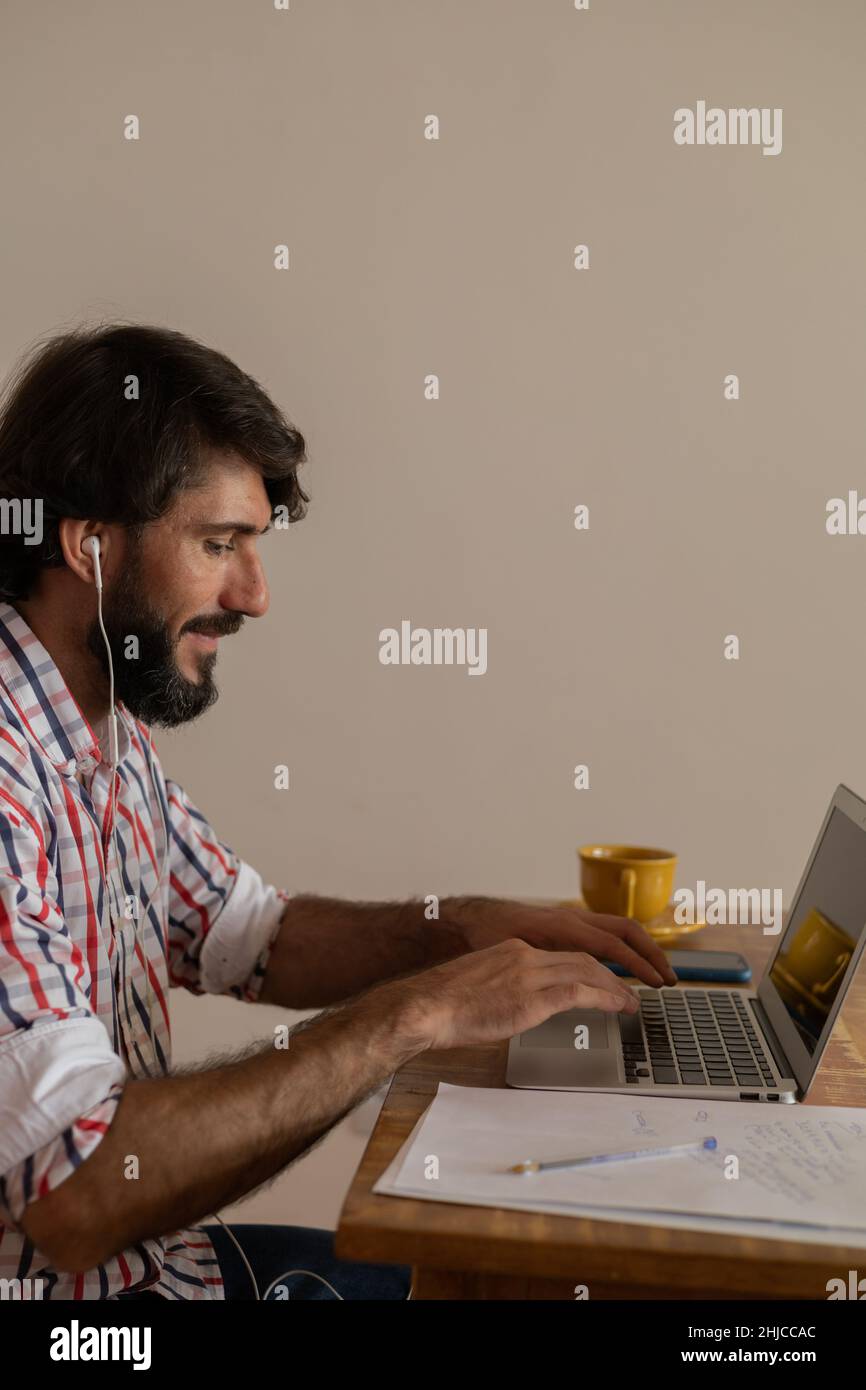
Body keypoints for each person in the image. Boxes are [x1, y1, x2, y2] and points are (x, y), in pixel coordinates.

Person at [0, 323, 676, 1301]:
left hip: (165, 1271)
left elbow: (249, 934)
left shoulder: (95, 729)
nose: (256, 595)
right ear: (91, 545)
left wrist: (459, 926)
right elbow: (75, 1193)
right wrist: (420, 1013)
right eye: (217, 543)